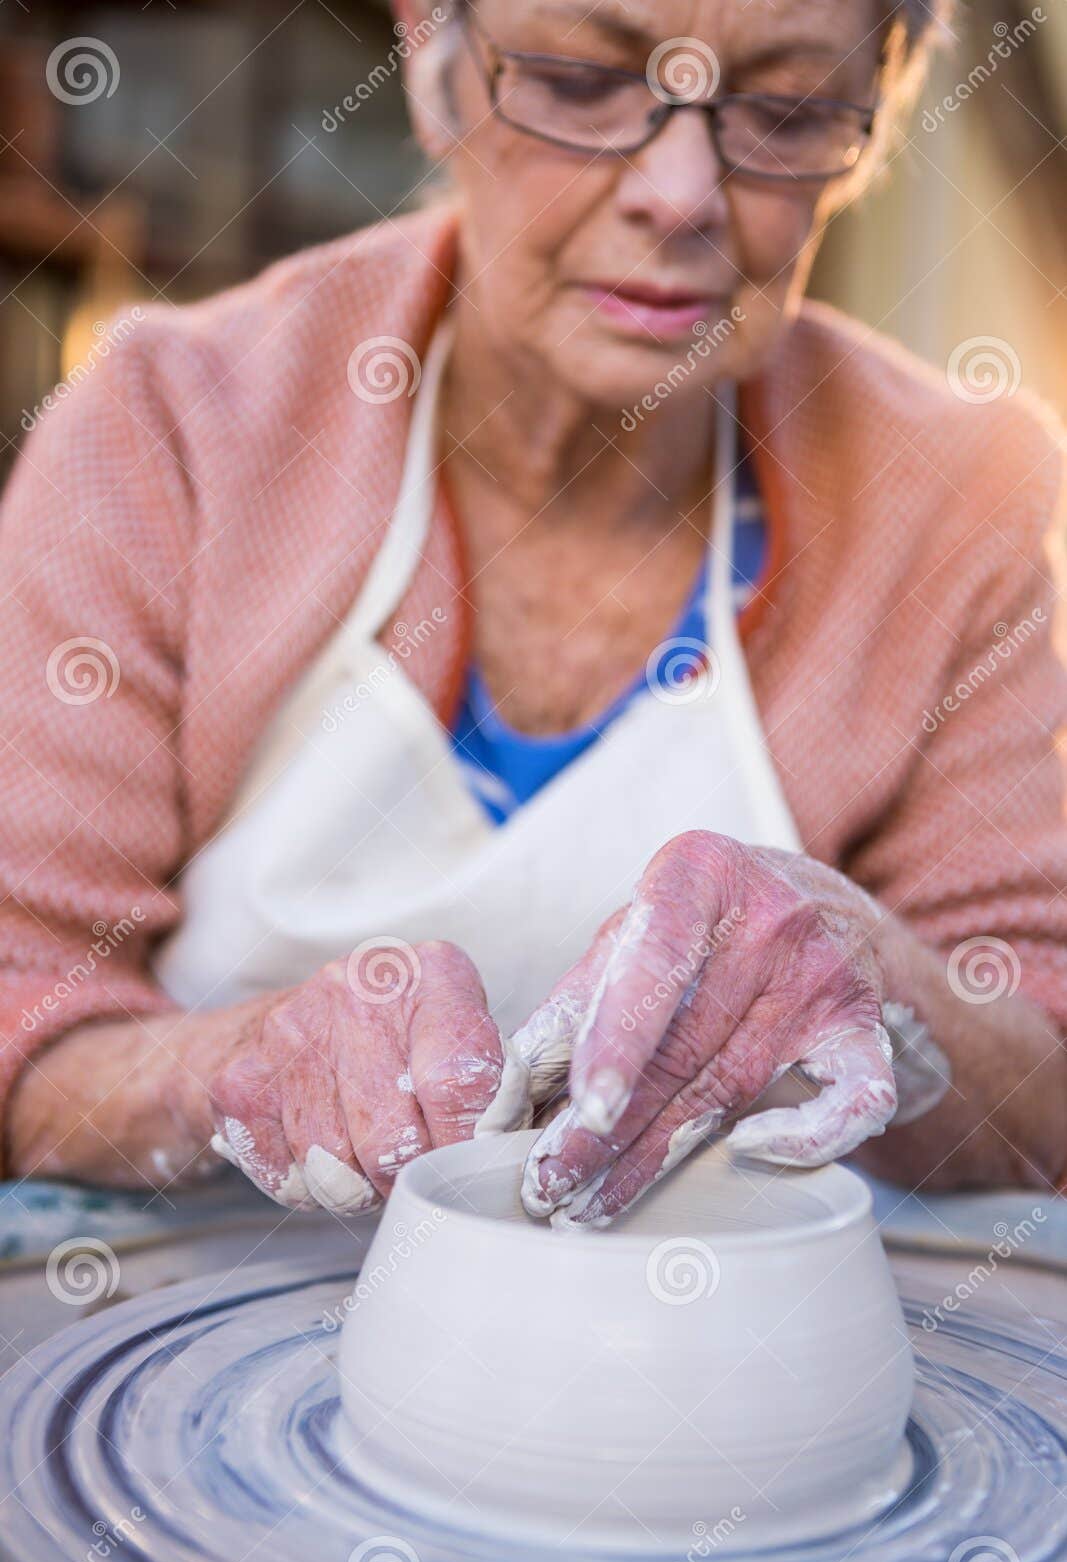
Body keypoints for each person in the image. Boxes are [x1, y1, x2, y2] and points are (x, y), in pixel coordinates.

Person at [3, 0, 1066, 1228]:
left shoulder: (956, 500)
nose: (678, 195)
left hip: (718, 1356)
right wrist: (221, 1073)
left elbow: (1038, 1086)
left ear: (872, 115)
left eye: (784, 110)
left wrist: (880, 981)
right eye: (577, 83)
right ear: (433, 66)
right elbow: (22, 1003)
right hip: (202, 1318)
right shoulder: (167, 428)